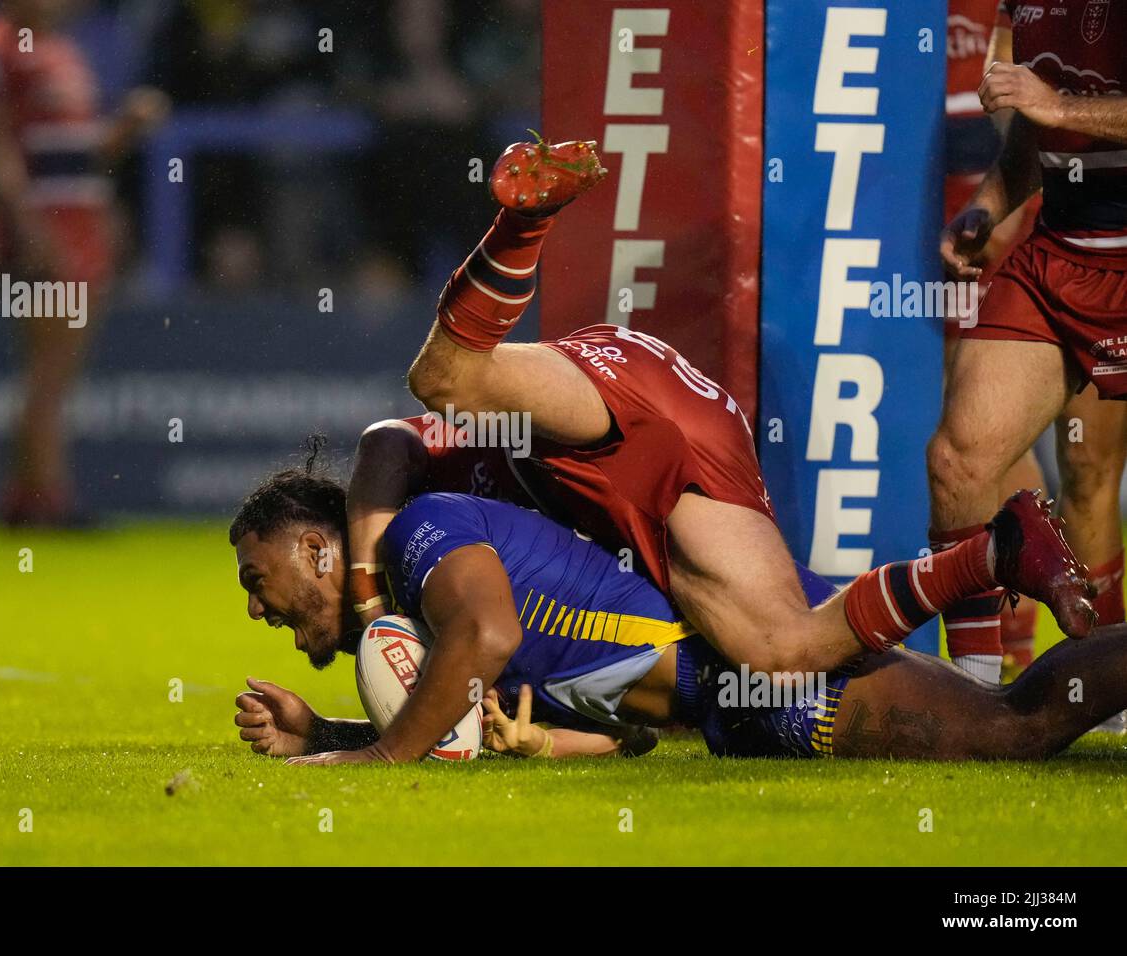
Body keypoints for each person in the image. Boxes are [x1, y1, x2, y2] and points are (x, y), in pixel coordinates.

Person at [342, 134, 1094, 682]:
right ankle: (997, 552)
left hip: (619, 409)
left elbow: (384, 442)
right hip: (659, 433)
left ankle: (524, 222)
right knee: (783, 652)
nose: (268, 618)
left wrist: (367, 592)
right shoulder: (455, 538)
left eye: (264, 590)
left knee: (448, 380)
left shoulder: (425, 512)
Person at [230, 484, 1127, 763]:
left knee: (1019, 729)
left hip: (766, 678)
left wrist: (374, 760)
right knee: (1011, 723)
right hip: (729, 711)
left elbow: (491, 639)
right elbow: (625, 744)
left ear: (318, 550)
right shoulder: (432, 636)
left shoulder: (426, 532)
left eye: (257, 577)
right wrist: (330, 730)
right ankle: (986, 561)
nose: (253, 607)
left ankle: (997, 554)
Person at [932, 0, 1127, 675]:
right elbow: (1034, 139)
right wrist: (988, 206)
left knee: (1092, 472)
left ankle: (1106, 698)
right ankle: (975, 695)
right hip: (1063, 251)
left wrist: (1063, 107)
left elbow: (1055, 111)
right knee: (960, 459)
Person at [0, 0, 168, 525]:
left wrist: (127, 128)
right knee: (49, 368)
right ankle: (50, 499)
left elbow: (83, 152)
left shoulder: (64, 53)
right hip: (45, 228)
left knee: (54, 371)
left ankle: (23, 497)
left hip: (81, 228)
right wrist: (25, 224)